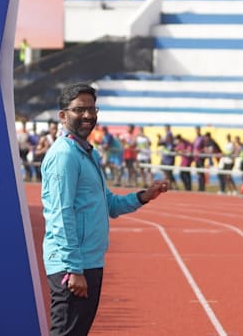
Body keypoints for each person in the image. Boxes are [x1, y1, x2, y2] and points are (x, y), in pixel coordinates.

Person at [41, 83, 169, 336]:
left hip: (89, 261)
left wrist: (143, 196)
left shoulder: (87, 153)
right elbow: (60, 213)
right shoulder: (64, 155)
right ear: (63, 116)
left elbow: (107, 203)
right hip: (72, 265)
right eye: (80, 110)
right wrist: (74, 268)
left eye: (92, 109)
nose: (88, 115)